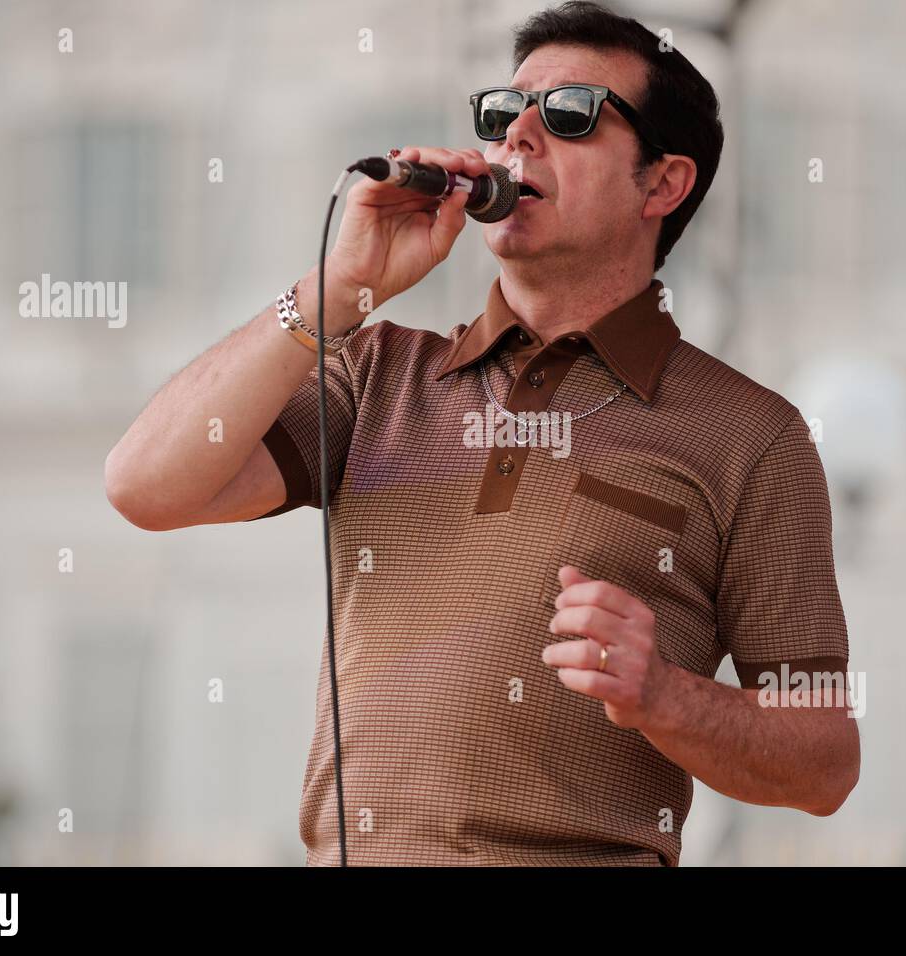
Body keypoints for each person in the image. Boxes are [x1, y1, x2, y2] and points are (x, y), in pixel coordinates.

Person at [104, 0, 859, 866]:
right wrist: (337, 287)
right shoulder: (376, 370)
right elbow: (144, 485)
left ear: (663, 183)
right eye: (502, 114)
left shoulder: (753, 436)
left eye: (571, 114)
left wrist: (663, 696)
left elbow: (825, 762)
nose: (519, 137)